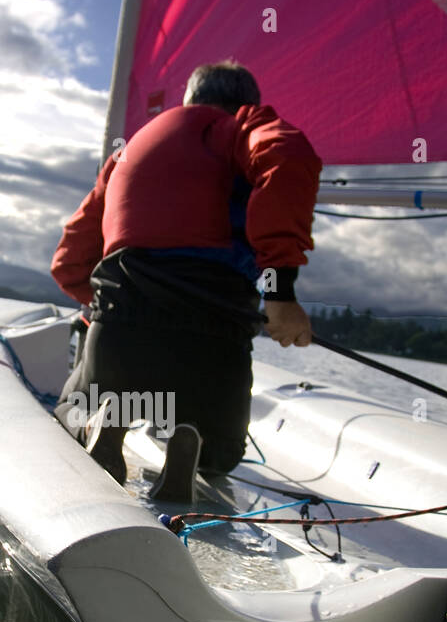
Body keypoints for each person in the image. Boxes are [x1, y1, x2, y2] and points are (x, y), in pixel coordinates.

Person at [50, 60, 321, 500]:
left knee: (73, 409)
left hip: (121, 324)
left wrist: (101, 304)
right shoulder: (242, 128)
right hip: (214, 339)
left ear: (188, 101)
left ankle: (107, 419)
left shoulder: (127, 152)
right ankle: (190, 438)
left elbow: (68, 263)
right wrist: (278, 293)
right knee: (219, 458)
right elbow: (288, 159)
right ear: (246, 105)